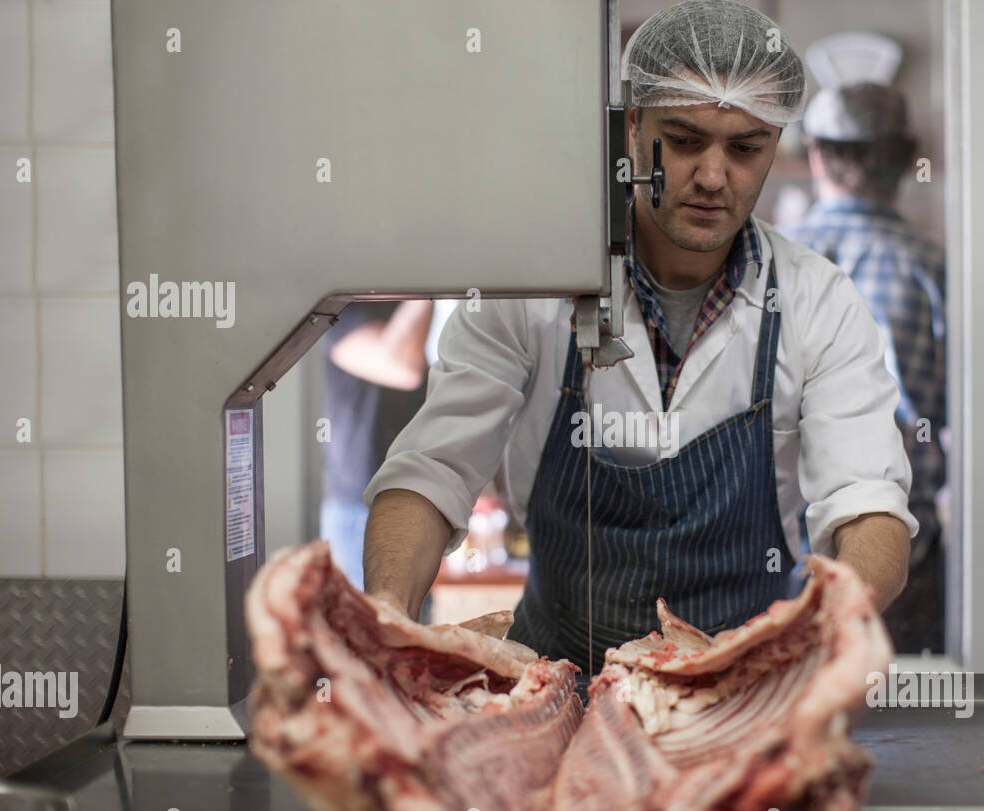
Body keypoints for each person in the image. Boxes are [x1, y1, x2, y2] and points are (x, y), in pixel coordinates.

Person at [362, 0, 917, 675]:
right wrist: (388, 614)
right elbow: (431, 471)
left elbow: (866, 505)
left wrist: (826, 637)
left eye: (746, 148)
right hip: (554, 687)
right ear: (630, 126)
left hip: (741, 694)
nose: (714, 176)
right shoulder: (535, 288)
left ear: (776, 143)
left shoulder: (817, 302)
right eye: (684, 140)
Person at [783, 82, 947, 655]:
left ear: (816, 154)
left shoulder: (766, 262)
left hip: (777, 552)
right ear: (904, 157)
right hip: (905, 554)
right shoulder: (934, 269)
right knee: (897, 728)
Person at [320, 299, 436, 590]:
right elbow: (402, 366)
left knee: (409, 630)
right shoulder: (340, 306)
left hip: (418, 499)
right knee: (368, 631)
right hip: (359, 511)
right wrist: (427, 290)